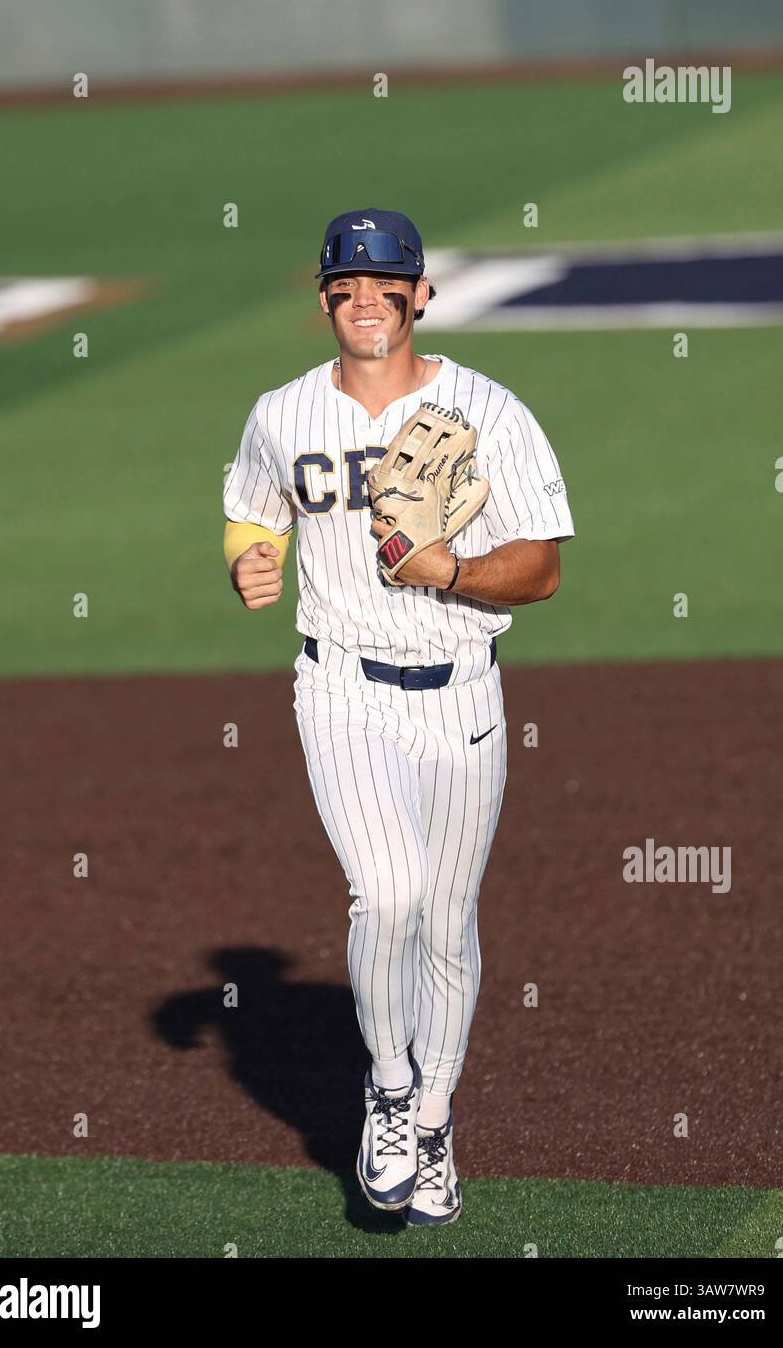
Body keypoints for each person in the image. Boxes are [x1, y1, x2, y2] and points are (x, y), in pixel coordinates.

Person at [223, 208, 575, 1227]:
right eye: (347, 286)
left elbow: (543, 566)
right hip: (338, 686)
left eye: (387, 285)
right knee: (386, 895)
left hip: (463, 687)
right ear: (324, 298)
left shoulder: (489, 410)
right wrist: (247, 558)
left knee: (445, 922)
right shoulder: (282, 414)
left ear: (421, 294)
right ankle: (385, 1089)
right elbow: (254, 506)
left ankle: (431, 1117)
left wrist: (451, 570)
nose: (366, 301)